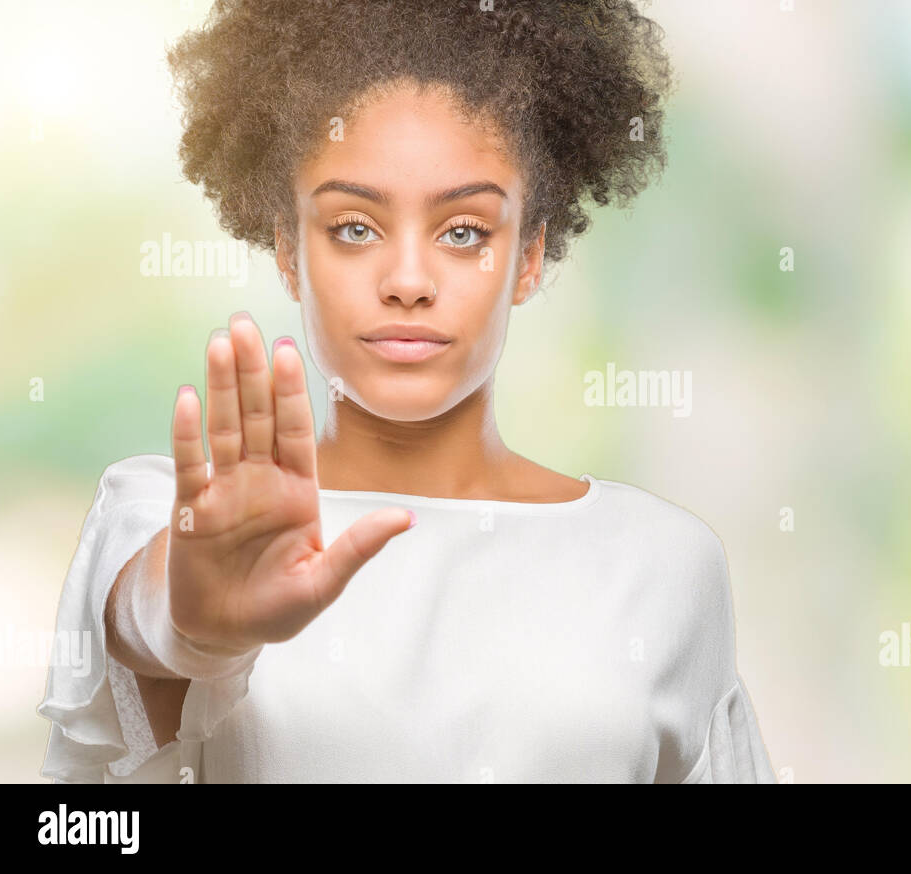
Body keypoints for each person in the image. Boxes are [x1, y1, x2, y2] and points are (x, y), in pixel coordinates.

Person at [37, 0, 776, 783]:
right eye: (354, 227)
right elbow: (144, 631)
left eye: (464, 232)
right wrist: (196, 631)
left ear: (530, 255)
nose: (409, 282)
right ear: (288, 250)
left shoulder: (663, 564)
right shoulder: (176, 516)